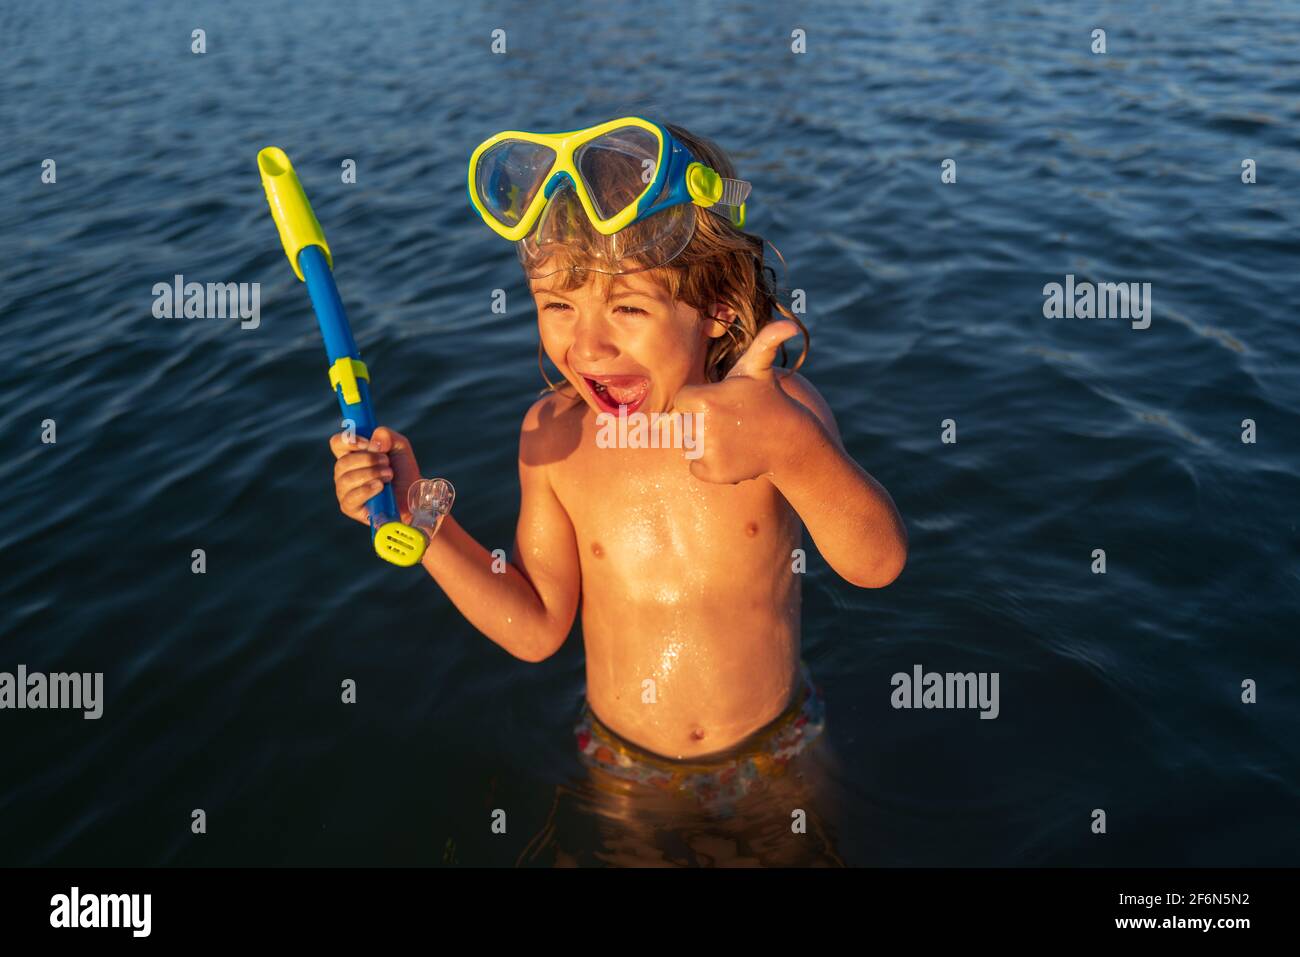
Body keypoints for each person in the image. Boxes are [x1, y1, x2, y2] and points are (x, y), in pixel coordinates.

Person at [330, 117, 907, 823]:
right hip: (624, 769)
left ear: (719, 308)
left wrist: (794, 449)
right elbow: (537, 626)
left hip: (772, 756)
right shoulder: (552, 436)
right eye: (558, 306)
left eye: (628, 307)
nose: (588, 344)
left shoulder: (770, 414)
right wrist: (421, 511)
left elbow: (877, 563)